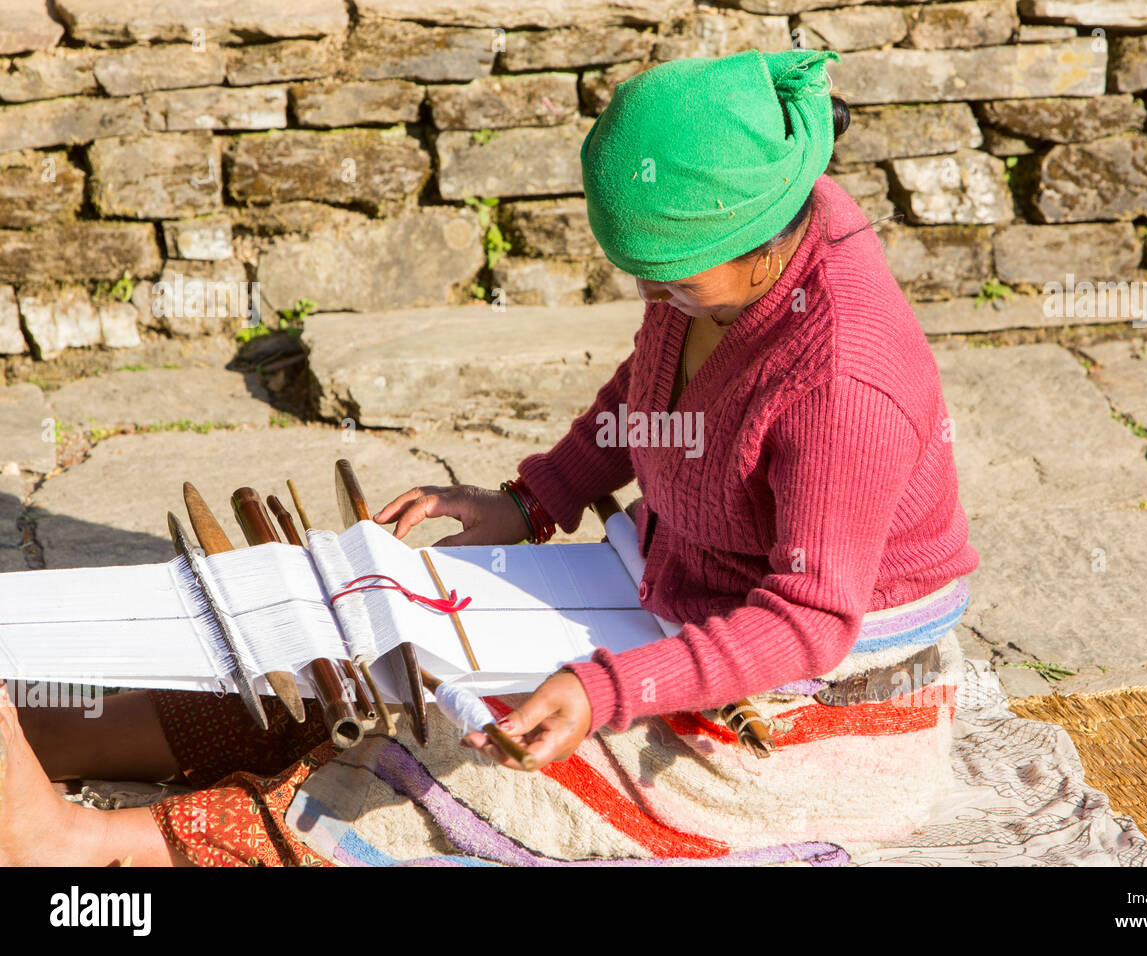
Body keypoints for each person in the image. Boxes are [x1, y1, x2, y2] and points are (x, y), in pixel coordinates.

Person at [0, 47, 978, 867]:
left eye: (669, 282)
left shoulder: (841, 385)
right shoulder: (732, 245)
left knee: (445, 745)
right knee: (349, 652)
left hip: (809, 670)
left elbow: (809, 620)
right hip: (677, 568)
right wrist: (532, 498)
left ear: (760, 245)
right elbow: (651, 393)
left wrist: (604, 688)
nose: (652, 296)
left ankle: (88, 840)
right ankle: (43, 725)